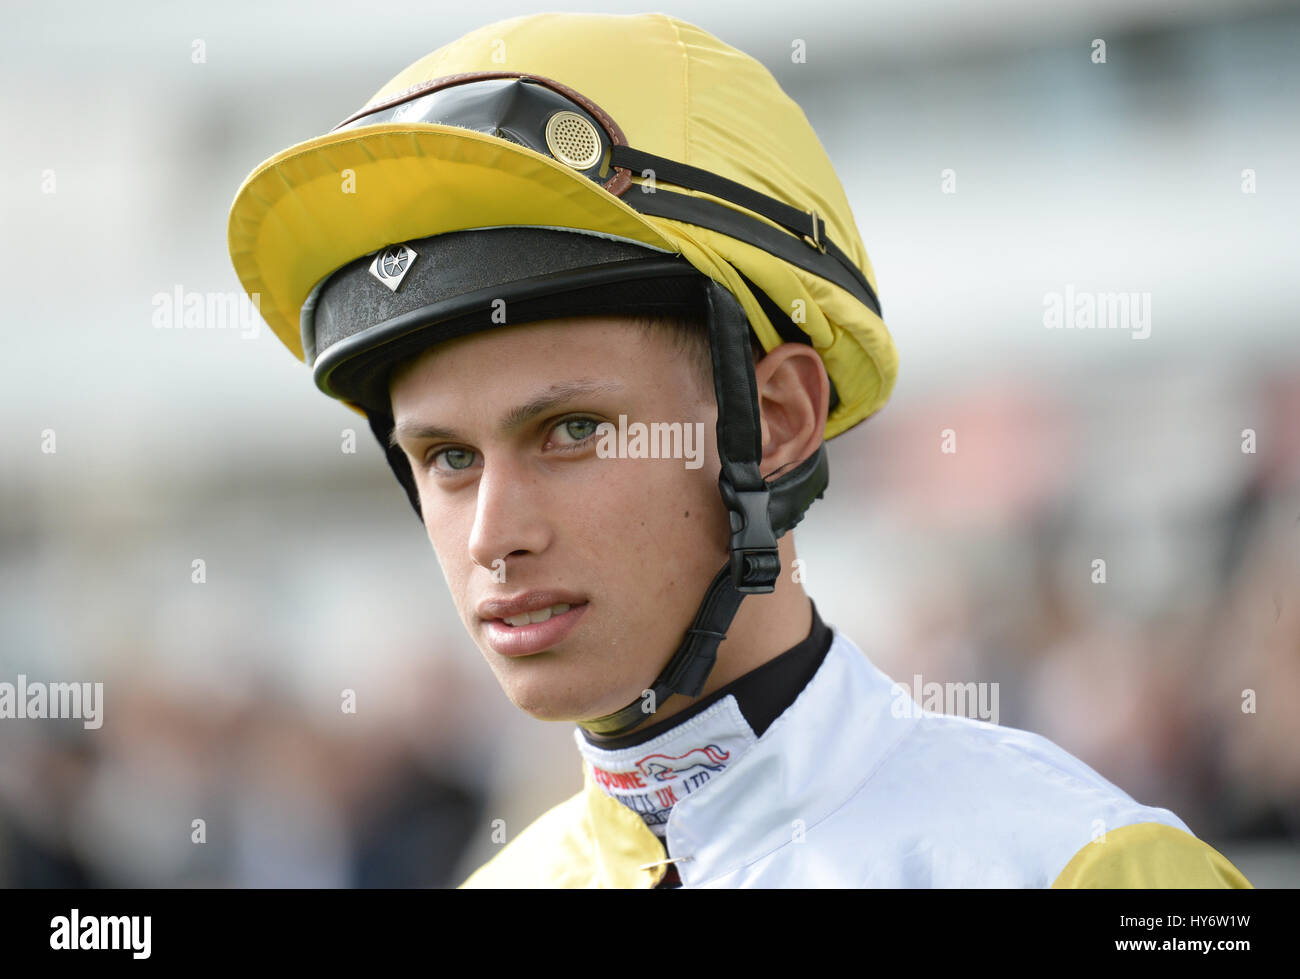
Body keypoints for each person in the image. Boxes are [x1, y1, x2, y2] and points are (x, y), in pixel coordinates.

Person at [227, 12, 1252, 888]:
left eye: (570, 430)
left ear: (777, 419)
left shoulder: (1084, 865)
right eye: (449, 458)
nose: (494, 535)